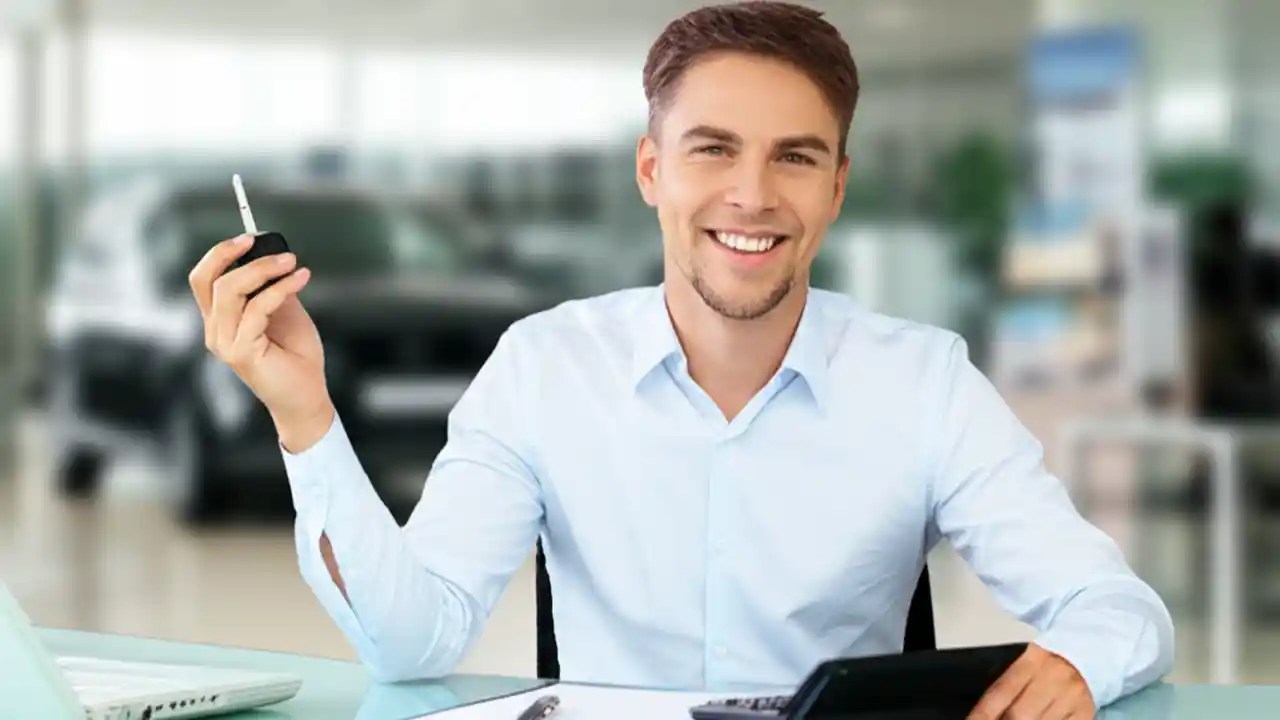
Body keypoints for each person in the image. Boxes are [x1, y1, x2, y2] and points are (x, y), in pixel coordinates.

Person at [186, 2, 1173, 718]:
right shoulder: (542, 368)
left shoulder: (923, 383)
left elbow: (1116, 610)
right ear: (651, 171)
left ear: (835, 188)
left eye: (793, 156)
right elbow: (411, 644)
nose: (751, 194)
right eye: (711, 149)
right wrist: (304, 414)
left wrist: (1081, 662)